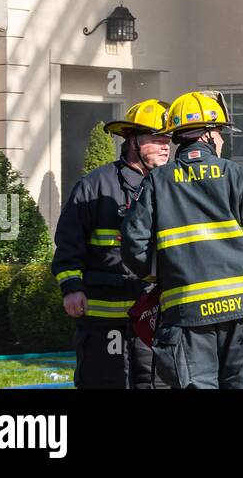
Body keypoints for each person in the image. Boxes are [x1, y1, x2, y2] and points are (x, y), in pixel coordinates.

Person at [121, 90, 243, 389]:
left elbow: (132, 242)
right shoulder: (236, 175)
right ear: (207, 135)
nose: (222, 140)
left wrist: (160, 274)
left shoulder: (157, 181)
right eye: (220, 133)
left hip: (187, 310)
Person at [52, 99, 171, 389]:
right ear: (133, 140)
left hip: (154, 314)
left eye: (168, 139)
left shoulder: (172, 186)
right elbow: (68, 243)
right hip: (105, 317)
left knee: (154, 383)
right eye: (157, 138)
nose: (166, 145)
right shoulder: (95, 186)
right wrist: (71, 287)